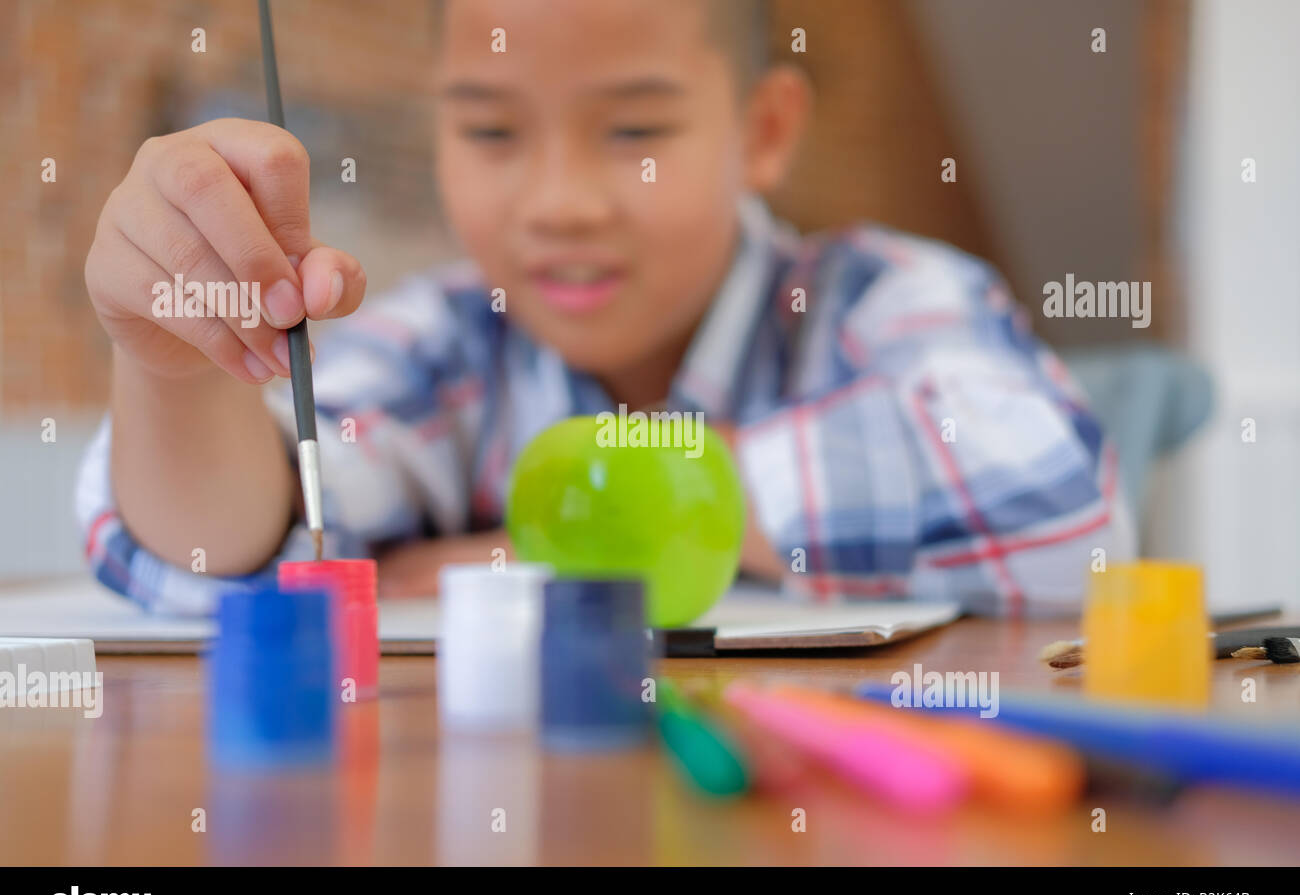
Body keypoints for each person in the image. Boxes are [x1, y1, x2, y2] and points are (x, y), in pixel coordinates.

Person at [78, 0, 1129, 617]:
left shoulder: (882, 294)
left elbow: (1063, 504)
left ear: (761, 131)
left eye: (633, 131)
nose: (560, 205)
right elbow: (208, 561)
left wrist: (548, 542)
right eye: (491, 134)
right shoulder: (450, 334)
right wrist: (174, 373)